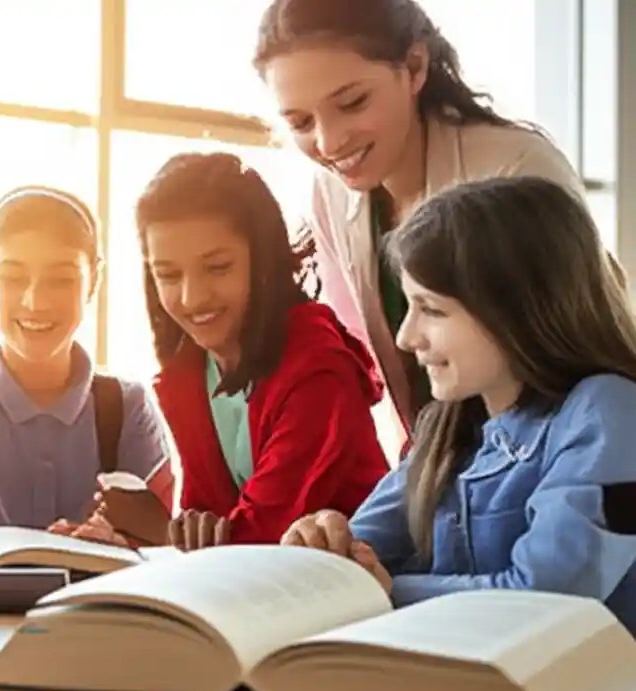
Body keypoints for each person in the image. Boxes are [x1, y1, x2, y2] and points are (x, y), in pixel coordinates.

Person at [253, 0, 621, 450]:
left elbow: (572, 363)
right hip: (441, 468)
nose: (329, 142)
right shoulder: (329, 194)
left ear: (415, 67)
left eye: (352, 102)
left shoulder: (516, 169)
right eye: (301, 122)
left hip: (556, 458)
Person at [282, 177, 636, 634]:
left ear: (515, 310)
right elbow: (356, 553)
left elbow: (551, 598)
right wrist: (320, 545)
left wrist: (380, 592)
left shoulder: (611, 412)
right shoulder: (448, 429)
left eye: (431, 309)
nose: (406, 338)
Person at [95, 153, 388, 549]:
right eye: (167, 274)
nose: (192, 297)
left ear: (263, 260)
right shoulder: (190, 373)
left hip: (350, 590)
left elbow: (265, 533)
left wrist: (159, 531)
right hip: (251, 594)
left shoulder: (319, 366)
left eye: (217, 268)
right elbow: (203, 525)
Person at [0, 186, 173, 542]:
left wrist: (117, 543)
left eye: (61, 279)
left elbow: (154, 545)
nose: (35, 301)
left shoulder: (127, 407)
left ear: (94, 281)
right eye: (12, 278)